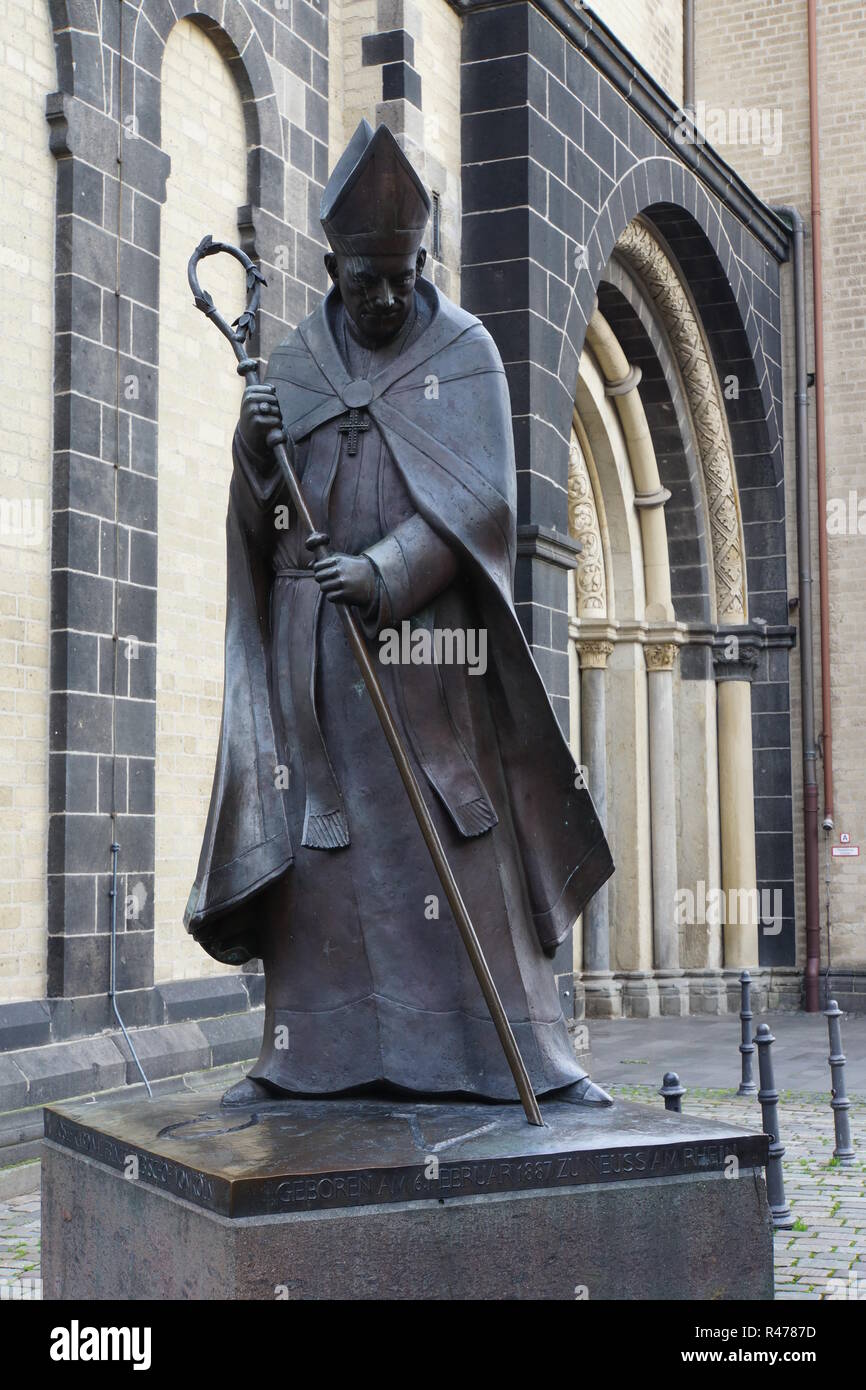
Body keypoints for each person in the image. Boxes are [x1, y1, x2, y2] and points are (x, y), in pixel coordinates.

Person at [185, 121, 614, 1108]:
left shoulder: (465, 354)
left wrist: (380, 572)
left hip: (426, 657)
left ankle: (521, 1055)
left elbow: (483, 507)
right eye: (360, 279)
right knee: (324, 852)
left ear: (423, 258)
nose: (381, 296)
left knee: (455, 841)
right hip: (316, 663)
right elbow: (259, 523)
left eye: (398, 275)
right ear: (330, 265)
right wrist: (256, 458)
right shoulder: (288, 368)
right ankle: (305, 1056)